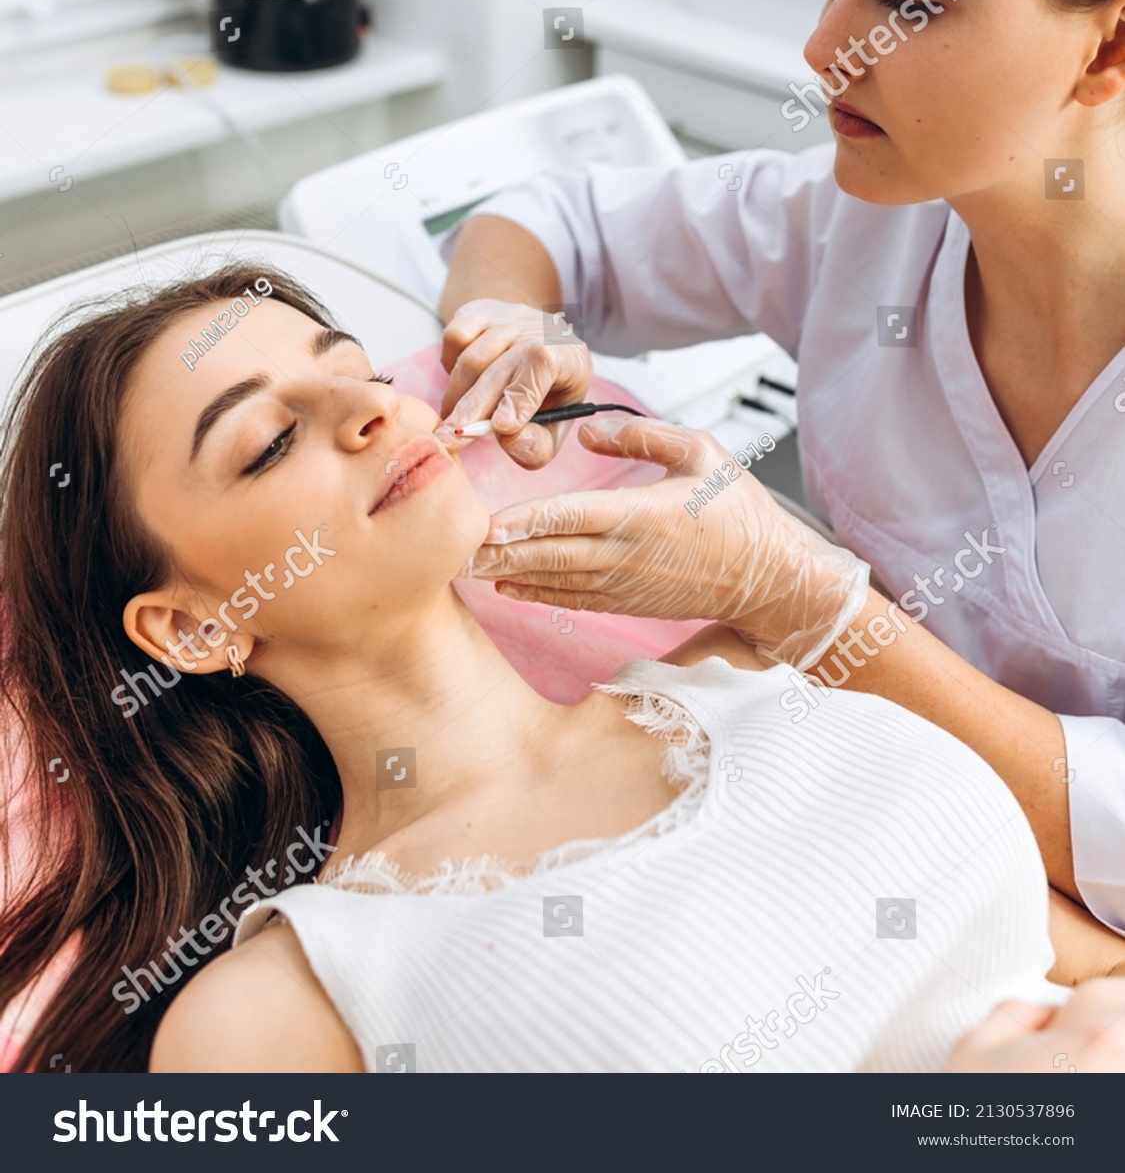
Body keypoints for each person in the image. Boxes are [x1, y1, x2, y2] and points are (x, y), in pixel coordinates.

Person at [0, 264, 1118, 1075]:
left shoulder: (753, 659)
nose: (370, 407)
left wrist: (797, 587)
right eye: (269, 442)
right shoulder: (284, 1011)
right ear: (194, 629)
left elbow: (1083, 954)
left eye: (350, 370)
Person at [436, 0, 1125, 937]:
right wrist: (502, 319)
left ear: (1108, 43)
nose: (823, 46)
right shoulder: (860, 230)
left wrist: (805, 600)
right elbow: (547, 222)